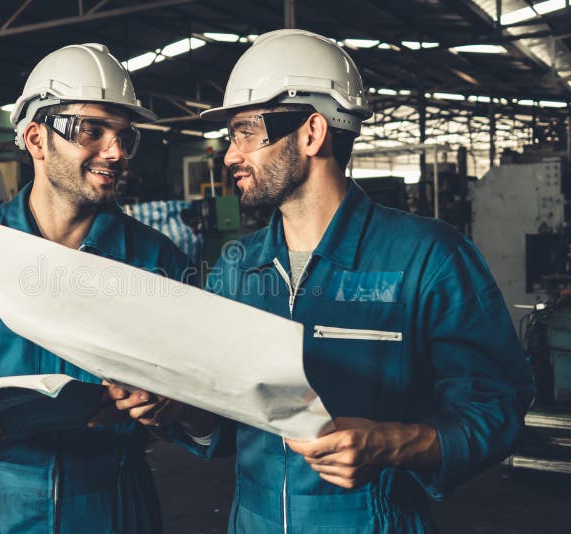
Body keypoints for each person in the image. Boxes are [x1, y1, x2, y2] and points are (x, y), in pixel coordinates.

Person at [111, 29, 534, 532]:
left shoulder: (429, 258)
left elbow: (496, 408)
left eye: (246, 131)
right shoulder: (237, 268)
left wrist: (392, 442)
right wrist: (175, 408)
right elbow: (222, 425)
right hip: (253, 521)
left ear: (312, 133)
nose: (230, 155)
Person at [0, 43, 194, 534]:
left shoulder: (157, 263)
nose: (114, 152)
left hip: (114, 503)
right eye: (93, 130)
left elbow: (206, 400)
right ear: (35, 139)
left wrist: (172, 406)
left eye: (124, 136)